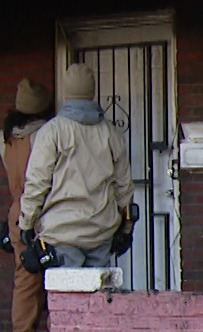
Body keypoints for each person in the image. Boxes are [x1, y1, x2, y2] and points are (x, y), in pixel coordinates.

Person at [19, 62, 134, 274]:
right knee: (97, 301)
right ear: (92, 93)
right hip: (101, 232)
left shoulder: (51, 132)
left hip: (61, 234)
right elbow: (124, 187)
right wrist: (126, 227)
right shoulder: (111, 133)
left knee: (68, 303)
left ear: (66, 94)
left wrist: (26, 222)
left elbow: (37, 183)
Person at [0, 78, 54, 332]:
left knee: (25, 277)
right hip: (43, 210)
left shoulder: (4, 138)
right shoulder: (44, 135)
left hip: (15, 211)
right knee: (55, 274)